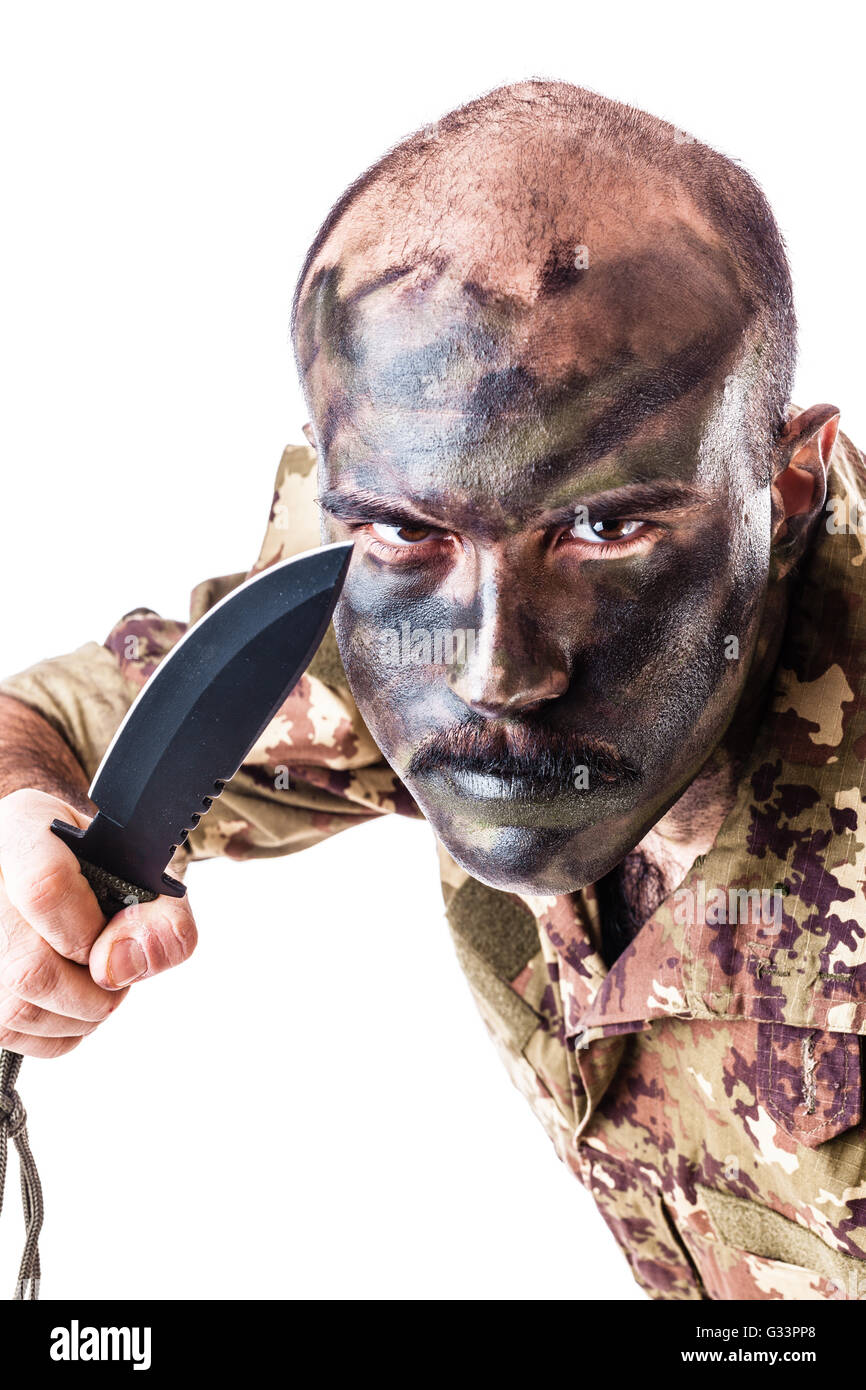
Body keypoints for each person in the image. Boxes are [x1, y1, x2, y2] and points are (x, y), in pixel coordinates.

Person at [0, 80, 863, 1301]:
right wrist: (17, 840)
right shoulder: (374, 598)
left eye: (602, 527)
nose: (489, 670)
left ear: (782, 492)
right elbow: (49, 728)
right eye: (404, 525)